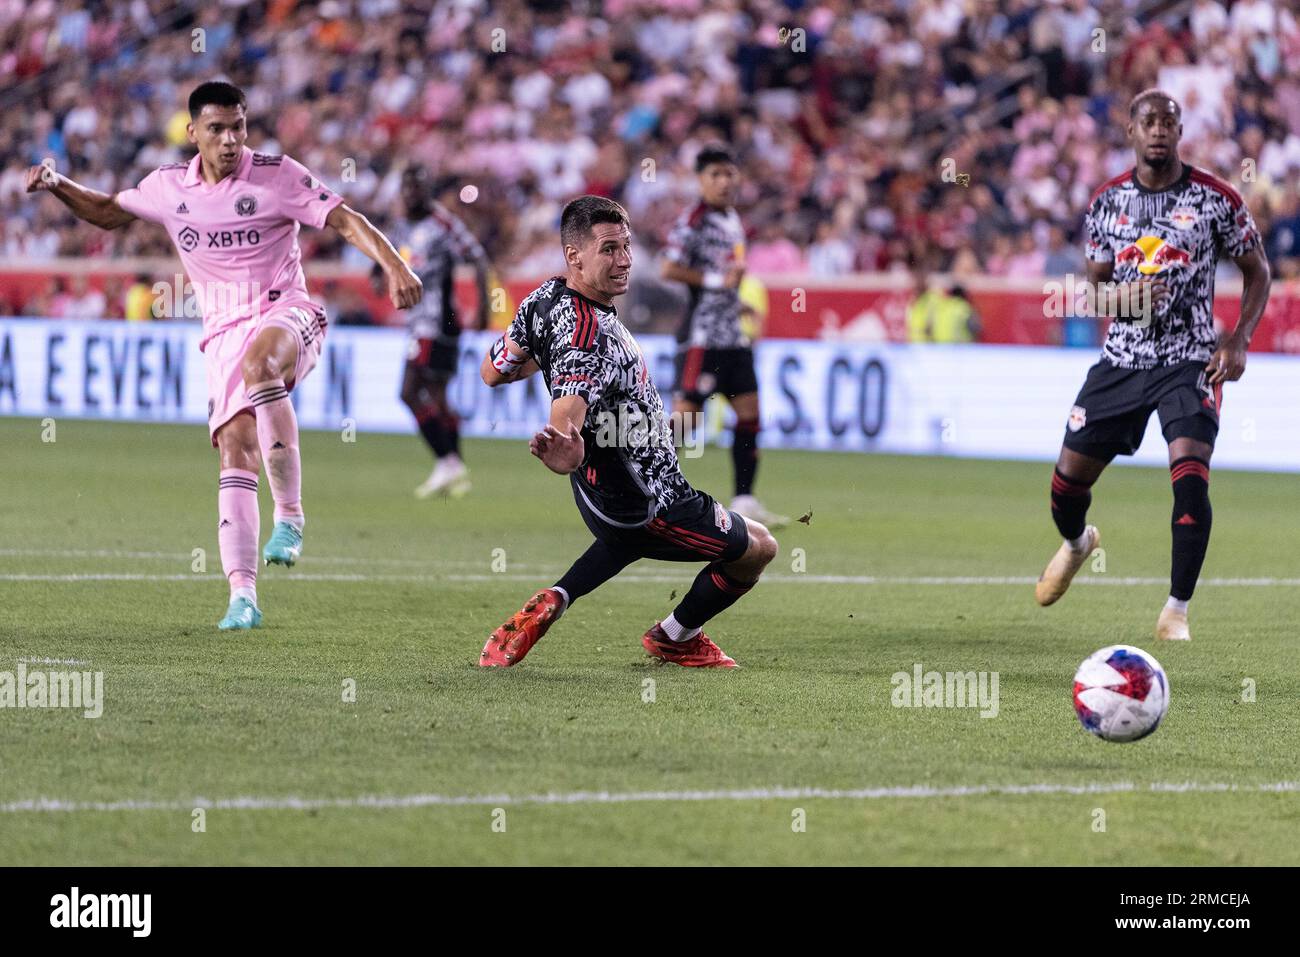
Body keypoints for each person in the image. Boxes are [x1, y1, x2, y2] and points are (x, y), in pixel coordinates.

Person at [26, 80, 422, 630]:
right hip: (222, 334)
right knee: (235, 452)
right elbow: (110, 213)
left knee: (262, 366)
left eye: (238, 127)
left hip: (289, 313)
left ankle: (290, 516)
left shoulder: (277, 175)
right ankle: (243, 597)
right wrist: (55, 183)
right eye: (217, 129)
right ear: (193, 133)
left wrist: (395, 265)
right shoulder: (169, 188)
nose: (231, 140)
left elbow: (345, 219)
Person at [477, 196, 778, 668]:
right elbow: (566, 416)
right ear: (575, 256)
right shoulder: (588, 337)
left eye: (627, 246)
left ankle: (559, 594)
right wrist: (567, 448)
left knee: (625, 541)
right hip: (651, 497)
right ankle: (675, 636)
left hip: (606, 495)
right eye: (609, 249)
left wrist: (549, 371)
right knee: (758, 548)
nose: (624, 261)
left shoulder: (543, 298)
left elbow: (493, 371)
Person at [1035, 90, 1271, 642]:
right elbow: (1094, 294)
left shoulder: (1217, 199)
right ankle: (1076, 544)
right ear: (1131, 132)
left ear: (1180, 130)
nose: (1159, 130)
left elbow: (1257, 271)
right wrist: (1131, 300)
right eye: (1149, 121)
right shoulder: (1106, 203)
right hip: (1122, 362)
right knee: (1067, 487)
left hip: (1190, 360)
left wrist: (1237, 339)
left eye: (1169, 121)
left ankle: (1176, 611)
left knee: (1190, 479)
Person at [661, 144, 787, 528]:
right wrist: (718, 283)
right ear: (700, 179)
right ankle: (648, 486)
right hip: (702, 337)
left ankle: (745, 500)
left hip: (732, 335)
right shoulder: (694, 220)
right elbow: (669, 268)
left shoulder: (732, 218)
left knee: (750, 414)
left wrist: (736, 303)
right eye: (715, 174)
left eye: (729, 173)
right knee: (686, 420)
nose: (724, 181)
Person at [383, 166, 491, 498]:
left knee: (409, 391)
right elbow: (389, 258)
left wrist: (485, 308)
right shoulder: (401, 226)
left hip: (439, 321)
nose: (411, 194)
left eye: (418, 187)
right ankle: (455, 469)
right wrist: (380, 273)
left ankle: (448, 461)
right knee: (440, 397)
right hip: (418, 322)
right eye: (407, 187)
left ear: (428, 190)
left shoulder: (443, 224)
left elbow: (478, 259)